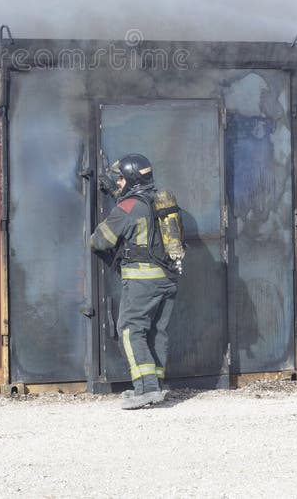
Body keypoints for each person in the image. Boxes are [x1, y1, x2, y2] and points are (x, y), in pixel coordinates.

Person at [90, 153, 181, 410]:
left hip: (143, 280)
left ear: (130, 179)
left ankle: (146, 389)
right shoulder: (158, 201)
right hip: (168, 278)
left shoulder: (129, 207)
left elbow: (100, 240)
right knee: (156, 332)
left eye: (120, 180)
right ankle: (155, 386)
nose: (118, 184)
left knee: (130, 330)